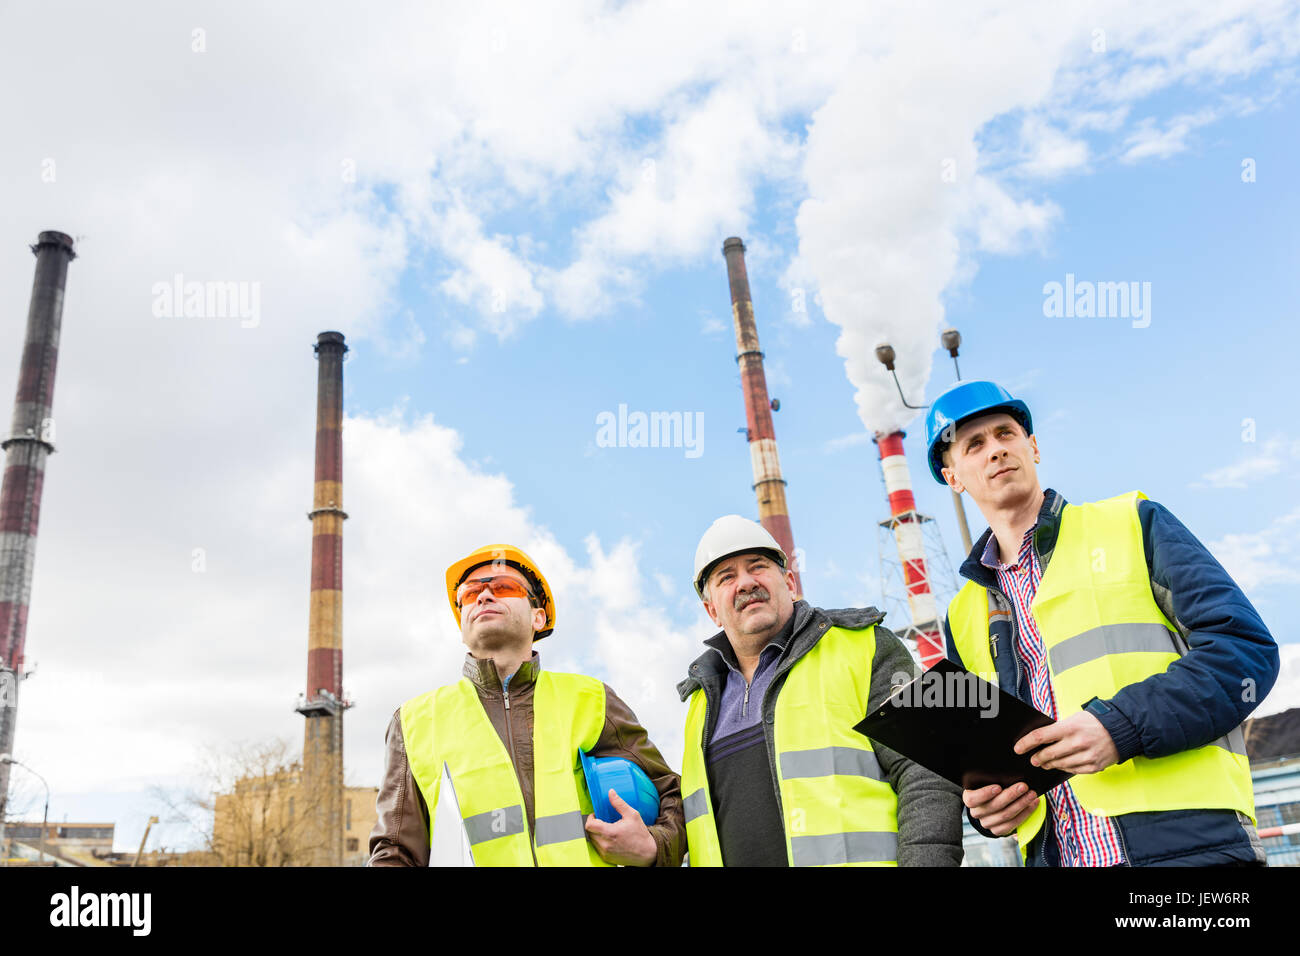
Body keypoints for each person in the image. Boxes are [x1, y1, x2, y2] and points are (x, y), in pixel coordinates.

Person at [929, 380, 1278, 866]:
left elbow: (1244, 652)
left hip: (1187, 849)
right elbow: (980, 758)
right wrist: (987, 811)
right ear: (953, 477)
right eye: (975, 444)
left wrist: (1120, 727)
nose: (997, 451)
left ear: (1032, 447)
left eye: (1007, 434)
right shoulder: (963, 613)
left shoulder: (1132, 524)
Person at [368, 543, 685, 866]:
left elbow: (671, 794)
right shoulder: (414, 721)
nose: (484, 596)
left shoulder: (591, 699)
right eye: (469, 593)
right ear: (461, 625)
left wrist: (653, 846)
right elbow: (395, 854)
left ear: (539, 616)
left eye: (504, 587)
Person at [676, 515, 963, 866]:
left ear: (790, 581)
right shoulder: (699, 704)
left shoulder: (866, 645)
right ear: (711, 610)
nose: (746, 583)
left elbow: (931, 768)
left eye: (758, 567)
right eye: (727, 578)